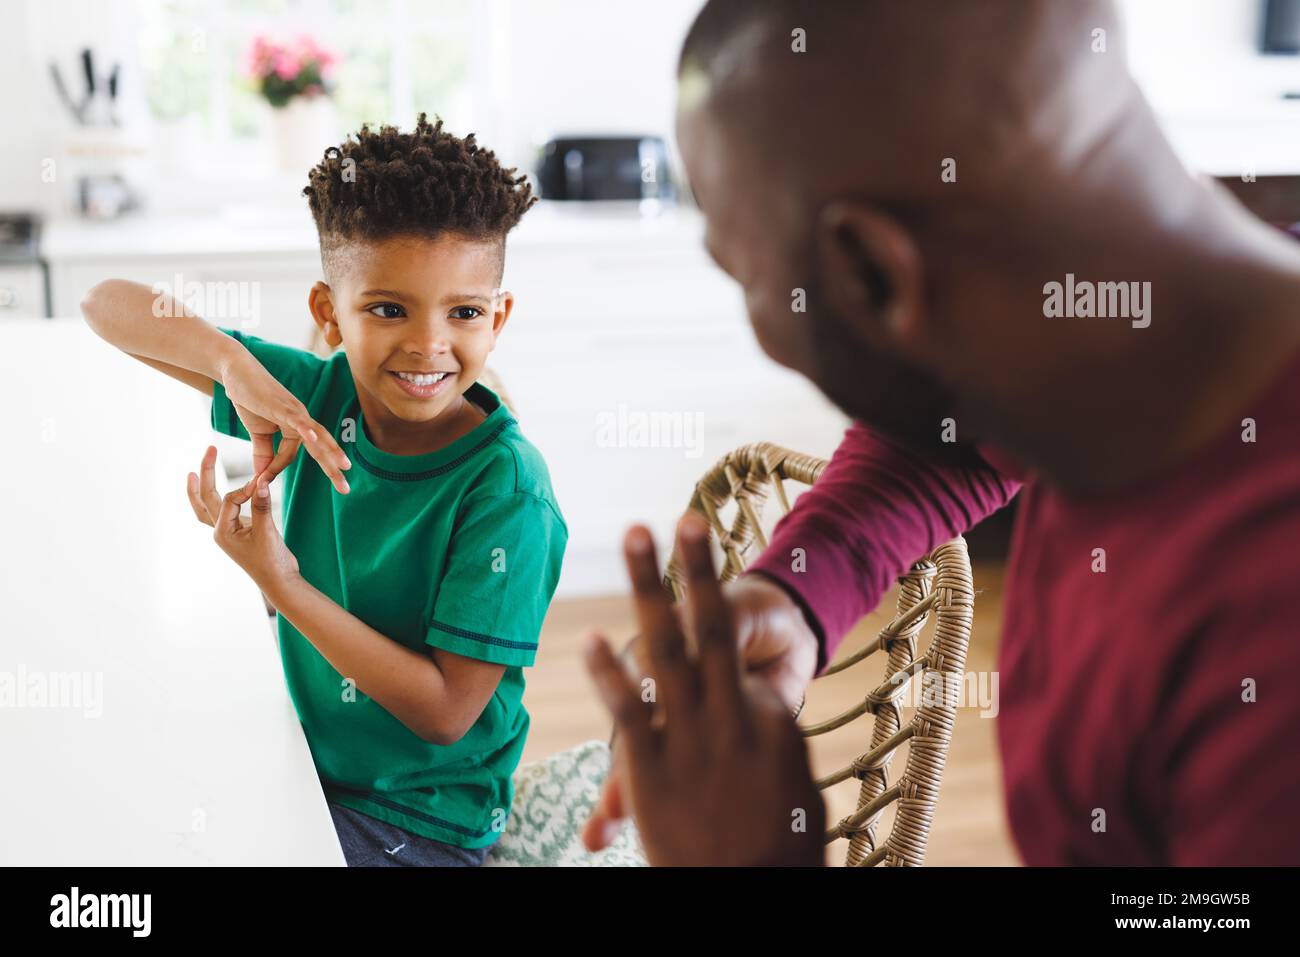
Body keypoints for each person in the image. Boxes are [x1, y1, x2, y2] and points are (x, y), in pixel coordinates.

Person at [582, 0, 1300, 866]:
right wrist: (803, 589)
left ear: (872, 272)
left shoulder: (1266, 640)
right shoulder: (1132, 342)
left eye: (742, 273)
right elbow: (959, 426)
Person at [81, 115, 567, 866]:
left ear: (496, 318)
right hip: (313, 764)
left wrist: (281, 582)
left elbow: (444, 711)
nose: (428, 344)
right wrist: (229, 363)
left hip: (421, 817)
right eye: (387, 308)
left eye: (463, 312)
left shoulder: (506, 491)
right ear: (328, 315)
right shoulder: (311, 397)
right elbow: (104, 305)